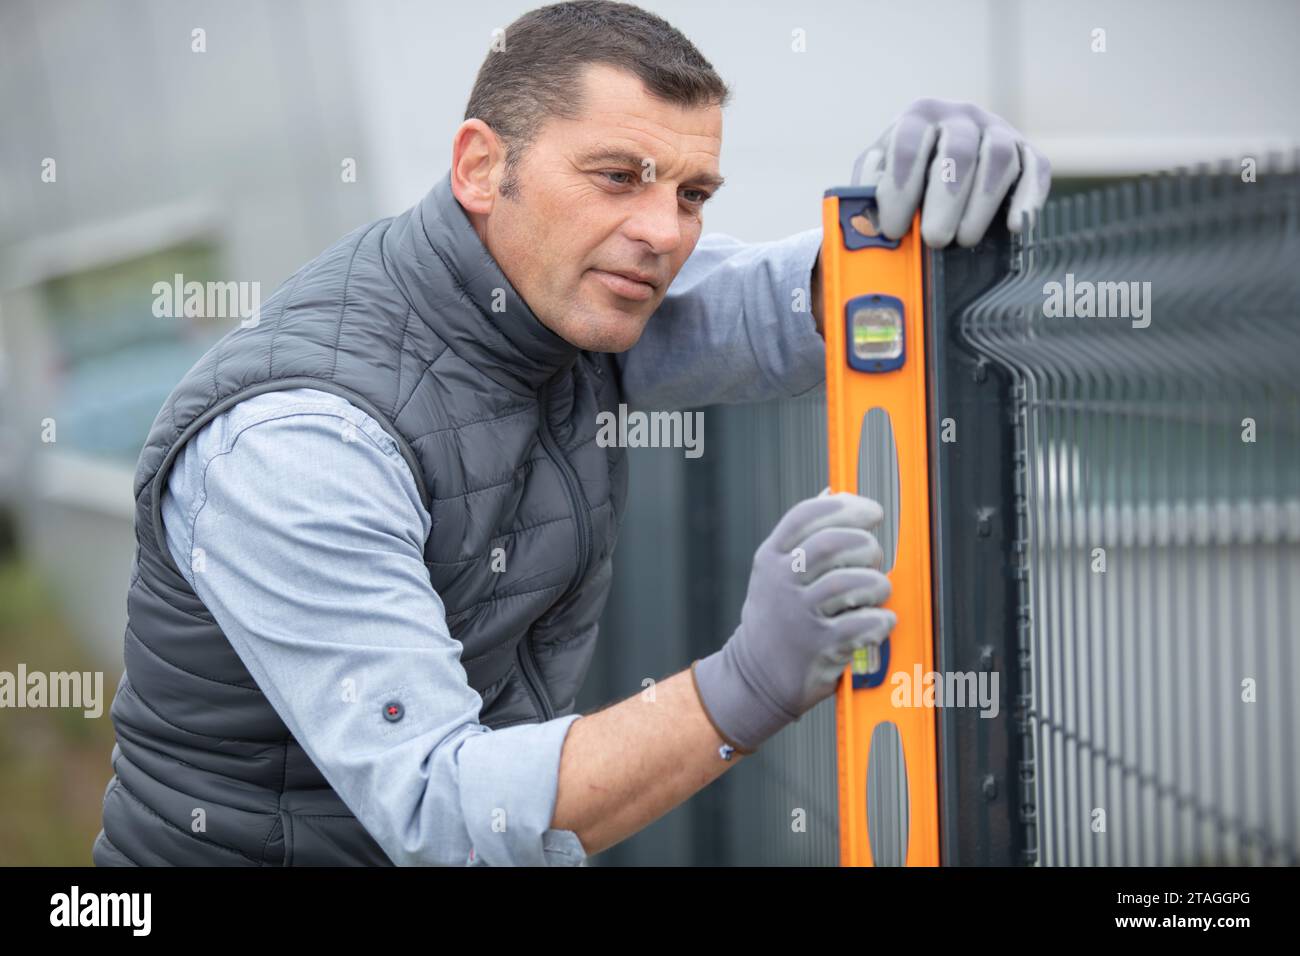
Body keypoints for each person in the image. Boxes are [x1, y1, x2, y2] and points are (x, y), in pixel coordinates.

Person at [92, 0, 1050, 866]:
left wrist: (912, 224)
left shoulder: (557, 293)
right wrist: (744, 684)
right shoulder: (299, 446)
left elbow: (761, 308)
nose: (663, 231)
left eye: (690, 193)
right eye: (616, 176)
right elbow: (444, 812)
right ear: (481, 166)